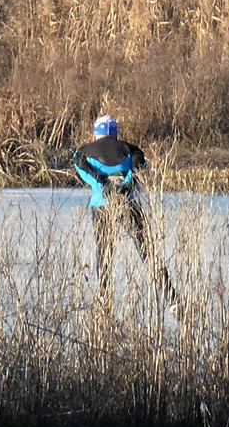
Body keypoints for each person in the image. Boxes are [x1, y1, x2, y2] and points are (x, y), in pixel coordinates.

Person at [73, 114, 179, 307]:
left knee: (104, 254)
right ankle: (173, 299)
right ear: (114, 133)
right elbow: (139, 168)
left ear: (95, 134)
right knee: (148, 251)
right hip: (129, 204)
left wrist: (104, 184)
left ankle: (104, 301)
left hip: (101, 206)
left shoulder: (83, 152)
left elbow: (81, 168)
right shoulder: (132, 150)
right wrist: (126, 186)